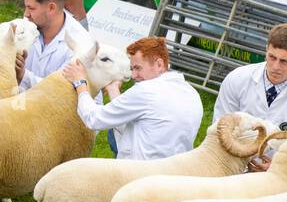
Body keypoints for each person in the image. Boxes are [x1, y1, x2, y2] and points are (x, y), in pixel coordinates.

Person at [60, 36, 204, 159]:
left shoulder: (146, 91)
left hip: (139, 177)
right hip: (174, 175)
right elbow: (133, 115)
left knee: (112, 128)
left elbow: (94, 119)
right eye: (132, 68)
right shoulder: (191, 93)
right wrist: (113, 89)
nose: (134, 76)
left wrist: (80, 82)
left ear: (159, 64)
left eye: (138, 68)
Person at [213, 23, 287, 137]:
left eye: (284, 61)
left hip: (280, 155)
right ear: (266, 51)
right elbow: (220, 127)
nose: (275, 66)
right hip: (234, 152)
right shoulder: (237, 78)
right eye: (272, 57)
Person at [17, 0, 89, 90]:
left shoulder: (80, 43)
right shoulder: (27, 24)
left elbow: (61, 89)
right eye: (26, 7)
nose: (26, 14)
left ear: (51, 8)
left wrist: (22, 75)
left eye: (31, 8)